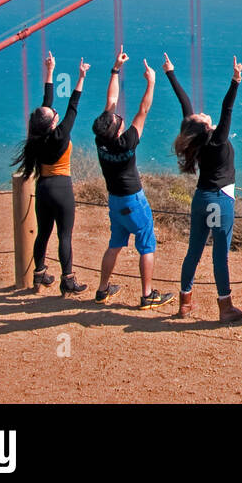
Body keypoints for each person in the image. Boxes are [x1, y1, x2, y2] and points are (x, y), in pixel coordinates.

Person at [165, 52, 242, 323]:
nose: (199, 111)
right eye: (199, 116)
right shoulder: (216, 140)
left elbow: (185, 104)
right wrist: (235, 80)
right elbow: (227, 109)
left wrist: (170, 72)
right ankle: (225, 307)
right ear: (204, 127)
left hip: (201, 198)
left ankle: (185, 302)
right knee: (219, 254)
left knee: (194, 251)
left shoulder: (198, 141)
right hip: (218, 200)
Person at [91, 50, 174, 310]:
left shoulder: (101, 138)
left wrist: (116, 68)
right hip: (133, 201)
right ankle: (147, 294)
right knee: (147, 246)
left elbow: (111, 100)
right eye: (118, 121)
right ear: (118, 131)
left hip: (115, 201)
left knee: (115, 245)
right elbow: (144, 108)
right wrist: (152, 82)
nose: (119, 117)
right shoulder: (127, 142)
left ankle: (103, 290)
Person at [10, 51, 89, 296]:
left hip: (42, 188)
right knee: (64, 235)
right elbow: (73, 106)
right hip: (61, 188)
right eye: (53, 114)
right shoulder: (60, 135)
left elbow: (47, 105)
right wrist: (81, 77)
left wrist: (50, 72)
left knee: (43, 233)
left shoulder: (36, 135)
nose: (54, 111)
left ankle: (39, 273)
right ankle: (68, 279)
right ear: (53, 123)